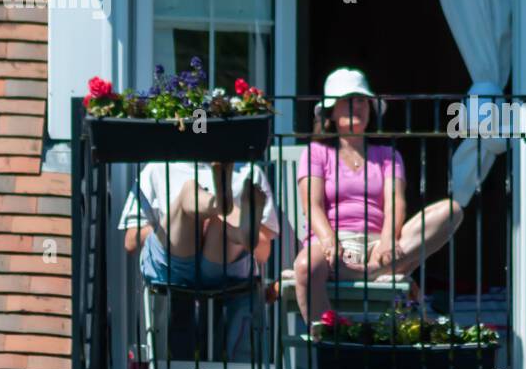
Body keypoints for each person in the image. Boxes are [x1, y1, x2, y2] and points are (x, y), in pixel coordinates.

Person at [283, 67, 464, 326]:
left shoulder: (389, 155)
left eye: (361, 100)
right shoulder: (316, 152)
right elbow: (312, 205)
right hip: (332, 247)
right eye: (347, 100)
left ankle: (373, 270)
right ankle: (329, 338)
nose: (356, 106)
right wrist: (329, 241)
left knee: (452, 210)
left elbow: (395, 204)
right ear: (331, 111)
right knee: (304, 268)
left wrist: (388, 240)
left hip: (379, 247)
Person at [120, 161, 279, 288]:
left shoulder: (250, 171)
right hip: (192, 267)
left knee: (213, 215)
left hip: (194, 267)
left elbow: (263, 252)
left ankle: (220, 209)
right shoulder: (156, 168)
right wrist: (172, 223)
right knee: (192, 195)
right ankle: (226, 214)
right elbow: (131, 240)